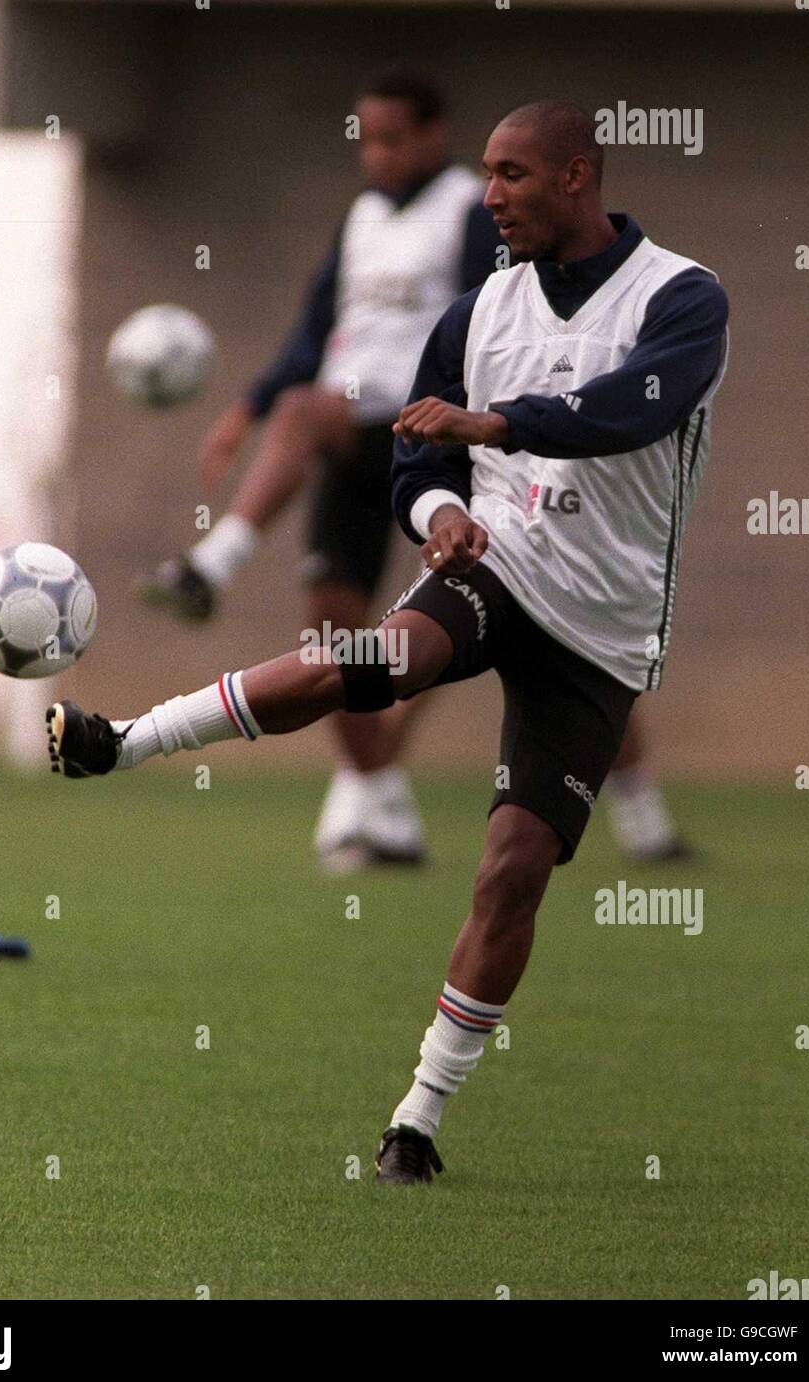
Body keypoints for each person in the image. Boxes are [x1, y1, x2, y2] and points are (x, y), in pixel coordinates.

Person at [47, 100, 728, 1185]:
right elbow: (420, 460)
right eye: (489, 174)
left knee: (512, 873)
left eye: (512, 174)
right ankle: (123, 740)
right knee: (359, 660)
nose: (492, 193)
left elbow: (632, 408)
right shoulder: (475, 312)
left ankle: (418, 1115)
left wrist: (492, 427)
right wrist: (438, 518)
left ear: (577, 176)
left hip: (603, 629)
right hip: (496, 571)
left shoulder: (683, 295)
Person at [138, 68, 503, 869]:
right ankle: (382, 807)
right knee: (335, 635)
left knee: (452, 639)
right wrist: (248, 405)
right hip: (347, 434)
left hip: (428, 435)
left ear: (432, 133)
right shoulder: (363, 217)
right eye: (365, 139)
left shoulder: (472, 210)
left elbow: (494, 321)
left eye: (391, 138)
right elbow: (315, 326)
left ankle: (213, 563)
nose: (374, 155)